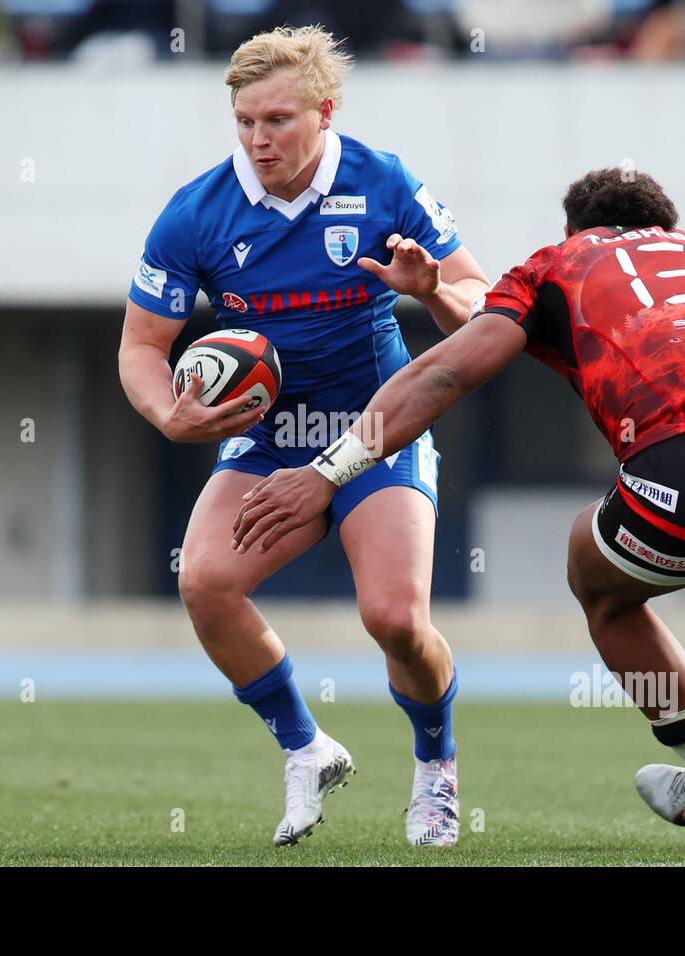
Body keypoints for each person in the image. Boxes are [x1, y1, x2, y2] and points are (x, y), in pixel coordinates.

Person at [235, 166, 685, 836]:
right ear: (663, 220)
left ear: (576, 229)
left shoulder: (556, 263)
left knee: (601, 588)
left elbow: (444, 375)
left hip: (675, 467)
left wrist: (327, 472)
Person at [118, 25, 489, 846]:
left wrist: (432, 293)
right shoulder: (196, 213)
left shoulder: (384, 182)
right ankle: (305, 746)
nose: (259, 139)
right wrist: (167, 413)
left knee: (395, 618)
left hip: (376, 430)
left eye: (278, 120)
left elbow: (483, 306)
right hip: (269, 438)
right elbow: (141, 348)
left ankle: (436, 766)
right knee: (205, 582)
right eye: (245, 121)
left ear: (326, 112)